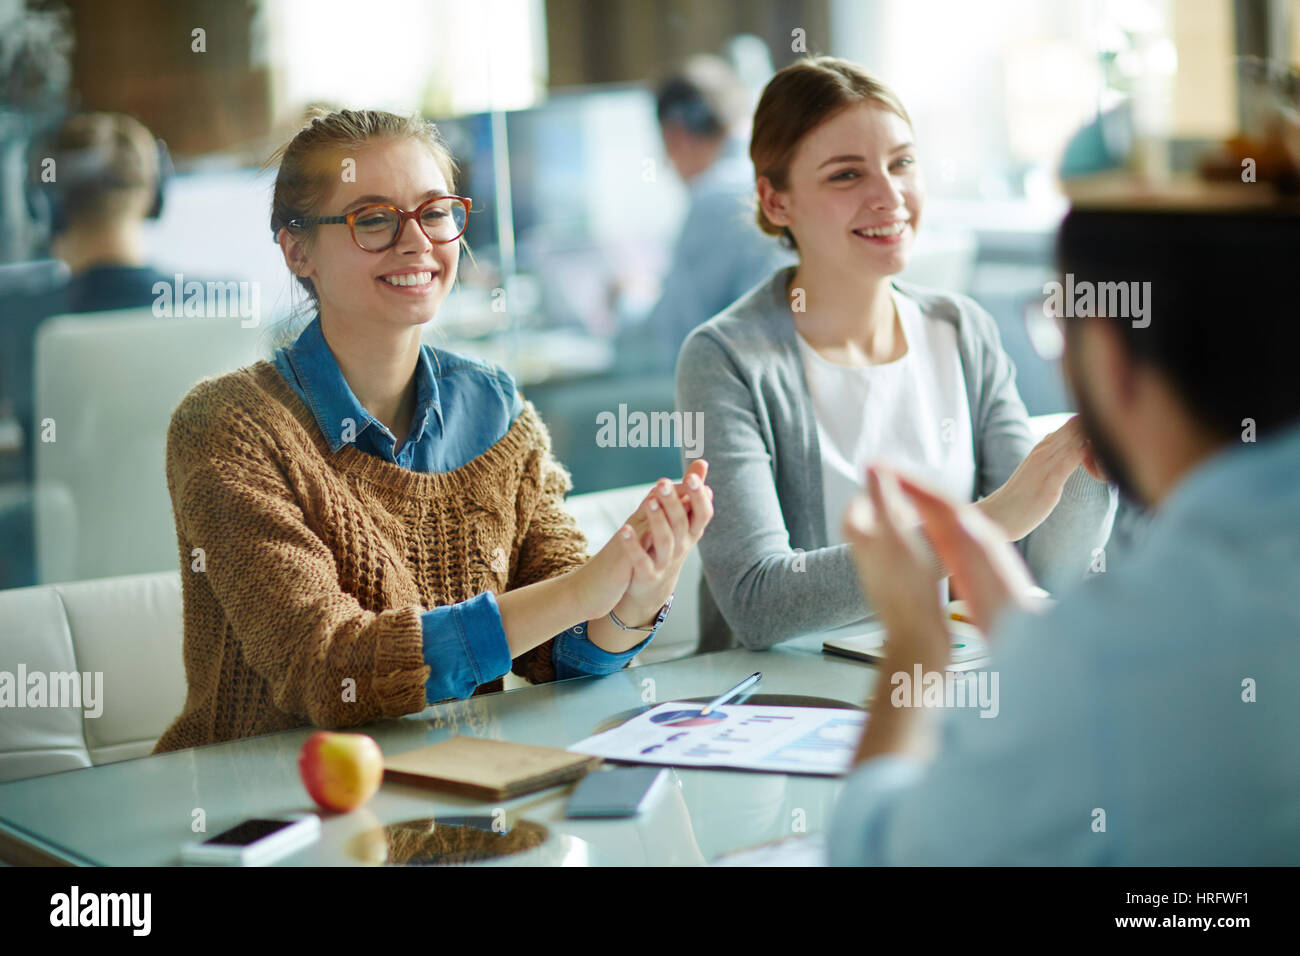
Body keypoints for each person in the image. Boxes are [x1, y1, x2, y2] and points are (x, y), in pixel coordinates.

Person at [153, 109, 713, 752]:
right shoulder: (229, 427)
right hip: (270, 818)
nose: (417, 241)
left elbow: (561, 656)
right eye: (374, 219)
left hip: (460, 800)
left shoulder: (495, 409)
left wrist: (640, 591)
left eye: (436, 212)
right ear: (297, 249)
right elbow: (331, 669)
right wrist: (585, 590)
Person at [832, 203, 1300, 865]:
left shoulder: (1105, 663)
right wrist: (1026, 634)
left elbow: (873, 851)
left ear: (1107, 357)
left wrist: (914, 644)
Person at [676, 57, 1115, 652]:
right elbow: (758, 603)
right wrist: (980, 525)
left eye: (902, 162)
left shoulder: (961, 329)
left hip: (949, 689)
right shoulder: (725, 358)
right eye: (846, 175)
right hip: (786, 713)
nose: (890, 197)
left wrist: (1092, 458)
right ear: (776, 202)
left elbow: (1032, 564)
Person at [0, 111, 177, 588]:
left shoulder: (18, 319)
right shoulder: (210, 306)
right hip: (187, 576)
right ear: (154, 197)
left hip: (61, 583)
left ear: (45, 208)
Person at [616, 55, 794, 374]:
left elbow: (670, 344)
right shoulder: (773, 172)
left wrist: (627, 302)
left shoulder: (715, 198)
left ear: (675, 135)